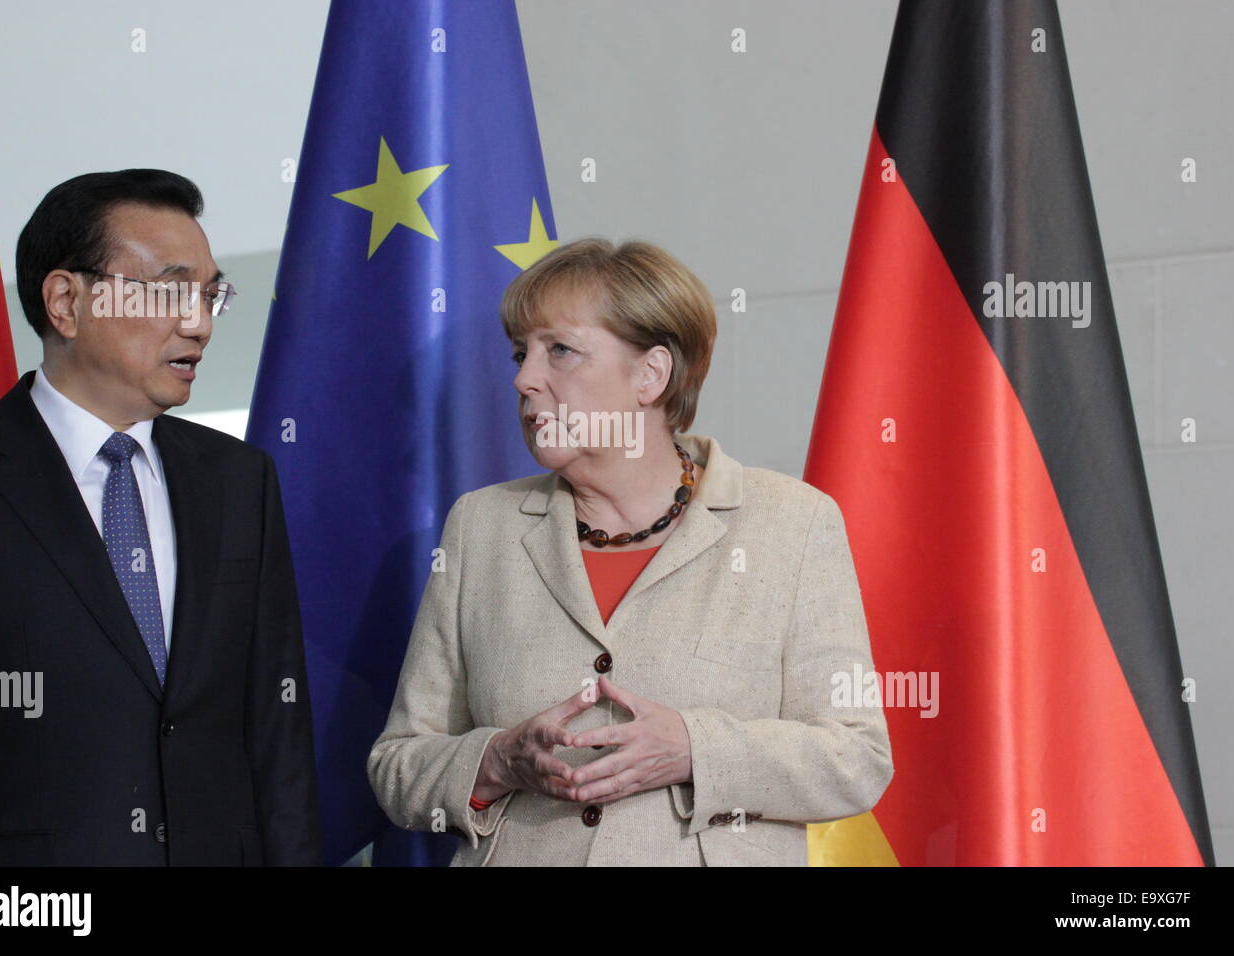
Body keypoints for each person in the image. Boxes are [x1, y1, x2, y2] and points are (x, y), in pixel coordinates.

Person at [368, 237, 892, 865]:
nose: (524, 379)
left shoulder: (792, 523)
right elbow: (398, 764)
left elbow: (858, 759)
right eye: (521, 353)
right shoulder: (480, 528)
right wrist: (498, 759)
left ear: (651, 374)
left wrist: (695, 749)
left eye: (560, 350)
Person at [0, 169, 321, 865]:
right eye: (172, 291)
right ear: (66, 301)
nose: (200, 324)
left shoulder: (239, 479)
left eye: (210, 295)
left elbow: (278, 730)